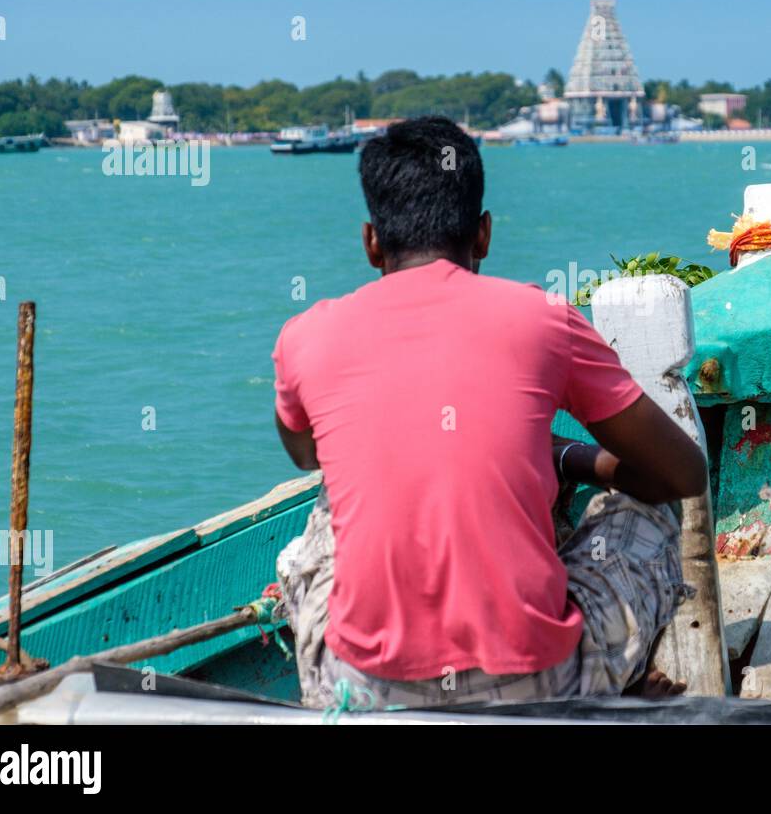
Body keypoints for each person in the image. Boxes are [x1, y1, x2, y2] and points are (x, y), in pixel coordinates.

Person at [271, 116, 707, 710]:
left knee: (331, 499)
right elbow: (681, 475)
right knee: (648, 516)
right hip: (536, 686)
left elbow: (306, 452)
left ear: (371, 241)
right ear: (483, 235)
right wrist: (568, 458)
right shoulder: (543, 320)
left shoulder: (306, 336)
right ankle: (623, 681)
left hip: (360, 687)